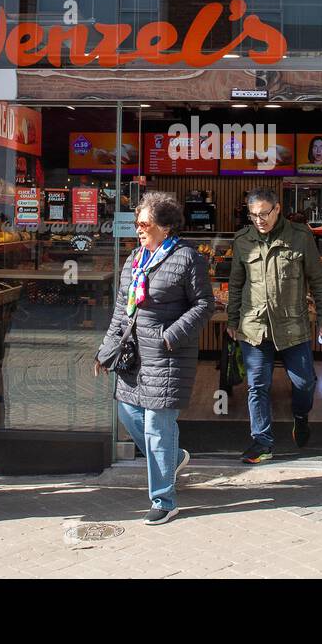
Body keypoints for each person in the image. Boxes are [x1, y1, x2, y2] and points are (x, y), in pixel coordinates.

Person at [95, 192, 212, 524]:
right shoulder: (134, 260)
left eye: (144, 223)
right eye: (136, 223)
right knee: (128, 411)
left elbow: (205, 304)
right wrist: (106, 351)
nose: (138, 229)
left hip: (167, 356)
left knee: (157, 426)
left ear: (165, 225)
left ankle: (164, 499)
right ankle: (172, 459)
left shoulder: (188, 258)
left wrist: (171, 335)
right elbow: (122, 311)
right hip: (135, 358)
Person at [227, 187, 322, 464]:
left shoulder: (300, 237)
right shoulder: (242, 240)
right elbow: (236, 284)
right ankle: (262, 442)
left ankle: (300, 416)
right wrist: (232, 319)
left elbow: (318, 280)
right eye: (253, 215)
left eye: (263, 214)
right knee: (257, 386)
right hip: (254, 326)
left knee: (304, 382)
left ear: (277, 210)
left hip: (292, 325)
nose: (258, 220)